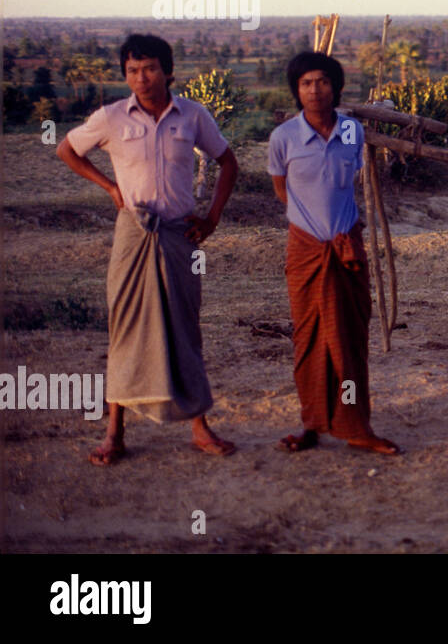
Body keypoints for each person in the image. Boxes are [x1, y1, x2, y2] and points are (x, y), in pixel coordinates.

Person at [56, 34, 239, 465]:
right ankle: (114, 433)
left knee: (185, 324)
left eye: (150, 68)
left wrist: (210, 219)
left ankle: (199, 426)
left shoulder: (192, 116)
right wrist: (109, 186)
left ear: (168, 71)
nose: (142, 78)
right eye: (133, 71)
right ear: (126, 75)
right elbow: (67, 149)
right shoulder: (111, 118)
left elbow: (228, 163)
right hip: (132, 236)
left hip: (180, 236)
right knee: (125, 327)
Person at [268, 52, 400, 454]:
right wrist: (310, 226)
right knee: (309, 340)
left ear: (336, 87)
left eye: (322, 82)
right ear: (296, 90)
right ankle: (312, 425)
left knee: (348, 338)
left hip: (346, 249)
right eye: (306, 83)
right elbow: (281, 189)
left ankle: (356, 427)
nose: (314, 90)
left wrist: (339, 229)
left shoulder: (351, 132)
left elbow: (346, 182)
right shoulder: (283, 138)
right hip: (306, 252)